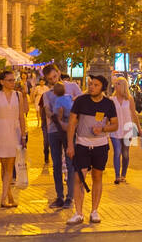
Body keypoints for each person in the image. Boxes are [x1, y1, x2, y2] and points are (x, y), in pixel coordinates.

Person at [66, 74, 117, 225]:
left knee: (97, 177)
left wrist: (103, 128)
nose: (92, 87)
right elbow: (72, 123)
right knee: (78, 178)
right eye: (90, 84)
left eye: (95, 85)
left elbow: (115, 125)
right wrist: (70, 145)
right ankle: (78, 213)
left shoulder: (108, 104)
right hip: (82, 144)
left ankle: (94, 211)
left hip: (100, 146)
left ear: (102, 88)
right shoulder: (81, 101)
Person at [0, 69, 28, 209]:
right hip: (1, 131)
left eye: (13, 80)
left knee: (10, 166)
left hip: (15, 131)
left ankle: (4, 198)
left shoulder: (18, 95)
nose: (13, 82)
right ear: (2, 82)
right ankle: (8, 196)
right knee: (4, 166)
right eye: (9, 80)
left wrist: (24, 134)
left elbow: (22, 116)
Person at [42, 78, 72, 208]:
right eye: (50, 77)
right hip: (53, 132)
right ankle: (59, 196)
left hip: (68, 131)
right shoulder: (46, 95)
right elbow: (47, 111)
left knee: (71, 163)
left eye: (55, 76)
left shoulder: (70, 91)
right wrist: (58, 120)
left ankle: (70, 197)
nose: (53, 79)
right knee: (57, 164)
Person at [109, 77, 141, 185]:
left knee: (125, 154)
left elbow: (134, 114)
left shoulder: (129, 99)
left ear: (123, 86)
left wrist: (139, 129)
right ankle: (117, 176)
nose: (115, 85)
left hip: (128, 129)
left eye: (118, 84)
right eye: (115, 83)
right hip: (115, 129)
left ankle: (123, 175)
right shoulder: (111, 99)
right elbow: (107, 115)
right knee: (117, 152)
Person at [32, 74, 50, 164]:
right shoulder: (44, 96)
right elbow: (41, 108)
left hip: (55, 125)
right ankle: (46, 154)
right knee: (46, 141)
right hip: (46, 123)